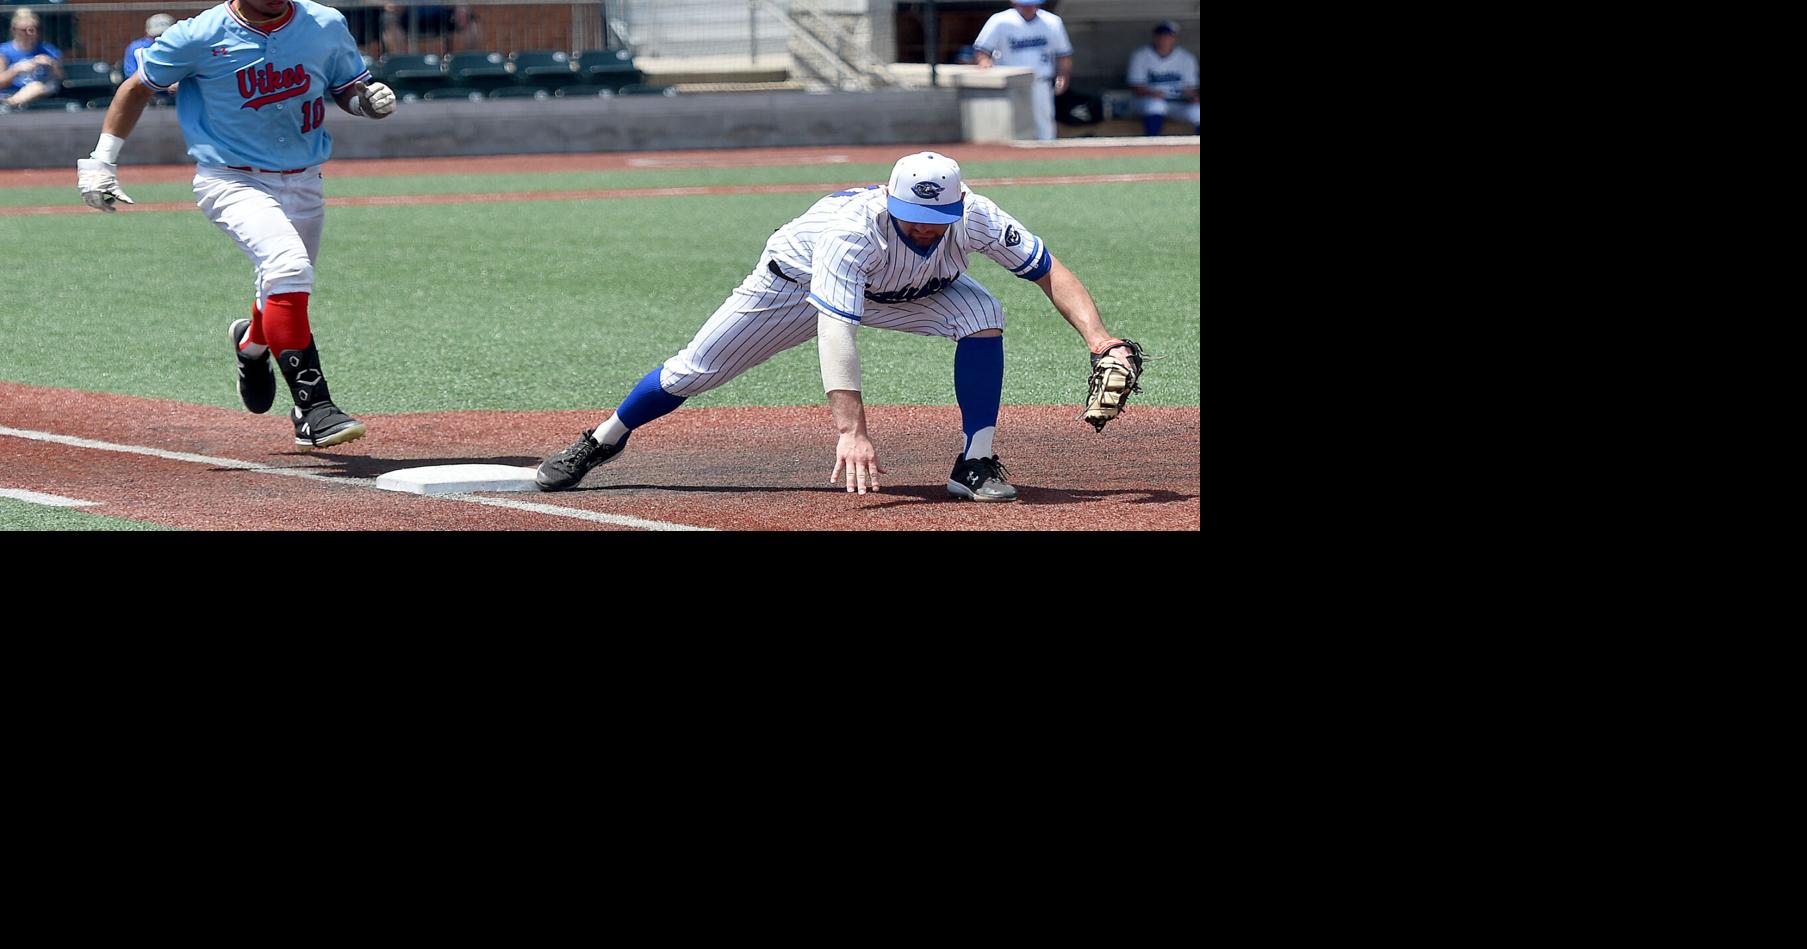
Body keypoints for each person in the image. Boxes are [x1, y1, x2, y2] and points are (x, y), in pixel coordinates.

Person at [534, 151, 1141, 502]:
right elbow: (835, 331)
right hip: (795, 287)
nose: (926, 226)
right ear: (889, 199)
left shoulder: (974, 217)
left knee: (982, 314)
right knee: (696, 370)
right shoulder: (852, 231)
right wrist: (851, 431)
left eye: (936, 217)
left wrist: (1099, 338)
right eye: (913, 216)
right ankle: (602, 439)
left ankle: (974, 463)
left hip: (902, 290)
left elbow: (1047, 269)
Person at [74, 0, 397, 449]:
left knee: (283, 287)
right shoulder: (197, 34)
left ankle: (251, 346)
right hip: (230, 177)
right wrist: (100, 162)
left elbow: (346, 86)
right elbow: (137, 87)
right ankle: (314, 408)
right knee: (287, 268)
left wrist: (366, 103)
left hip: (304, 177)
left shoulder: (324, 22)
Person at [972, 0, 1072, 142]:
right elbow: (982, 49)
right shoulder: (1000, 21)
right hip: (1012, 83)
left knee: (1044, 127)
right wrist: (984, 61)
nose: (1029, 8)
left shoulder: (1052, 22)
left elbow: (1064, 54)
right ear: (1015, 4)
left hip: (1040, 81)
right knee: (1012, 128)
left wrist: (1063, 75)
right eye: (1025, 4)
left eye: (1032, 4)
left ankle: (1047, 156)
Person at [1127, 20, 1199, 137]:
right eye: (1160, 35)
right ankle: (1153, 144)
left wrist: (1192, 97)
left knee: (1197, 111)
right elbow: (1136, 86)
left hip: (1177, 103)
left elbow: (1191, 88)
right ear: (1155, 36)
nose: (1164, 38)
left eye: (1168, 35)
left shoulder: (1186, 58)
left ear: (1174, 37)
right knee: (1156, 105)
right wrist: (1152, 93)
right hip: (1147, 101)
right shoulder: (1141, 55)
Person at [1, 9, 64, 110]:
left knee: (36, 87)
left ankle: (9, 104)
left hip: (39, 95)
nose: (29, 34)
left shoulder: (48, 50)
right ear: (14, 30)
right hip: (9, 92)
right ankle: (10, 102)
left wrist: (51, 64)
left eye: (32, 29)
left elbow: (61, 78)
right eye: (24, 30)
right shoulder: (4, 51)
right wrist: (16, 70)